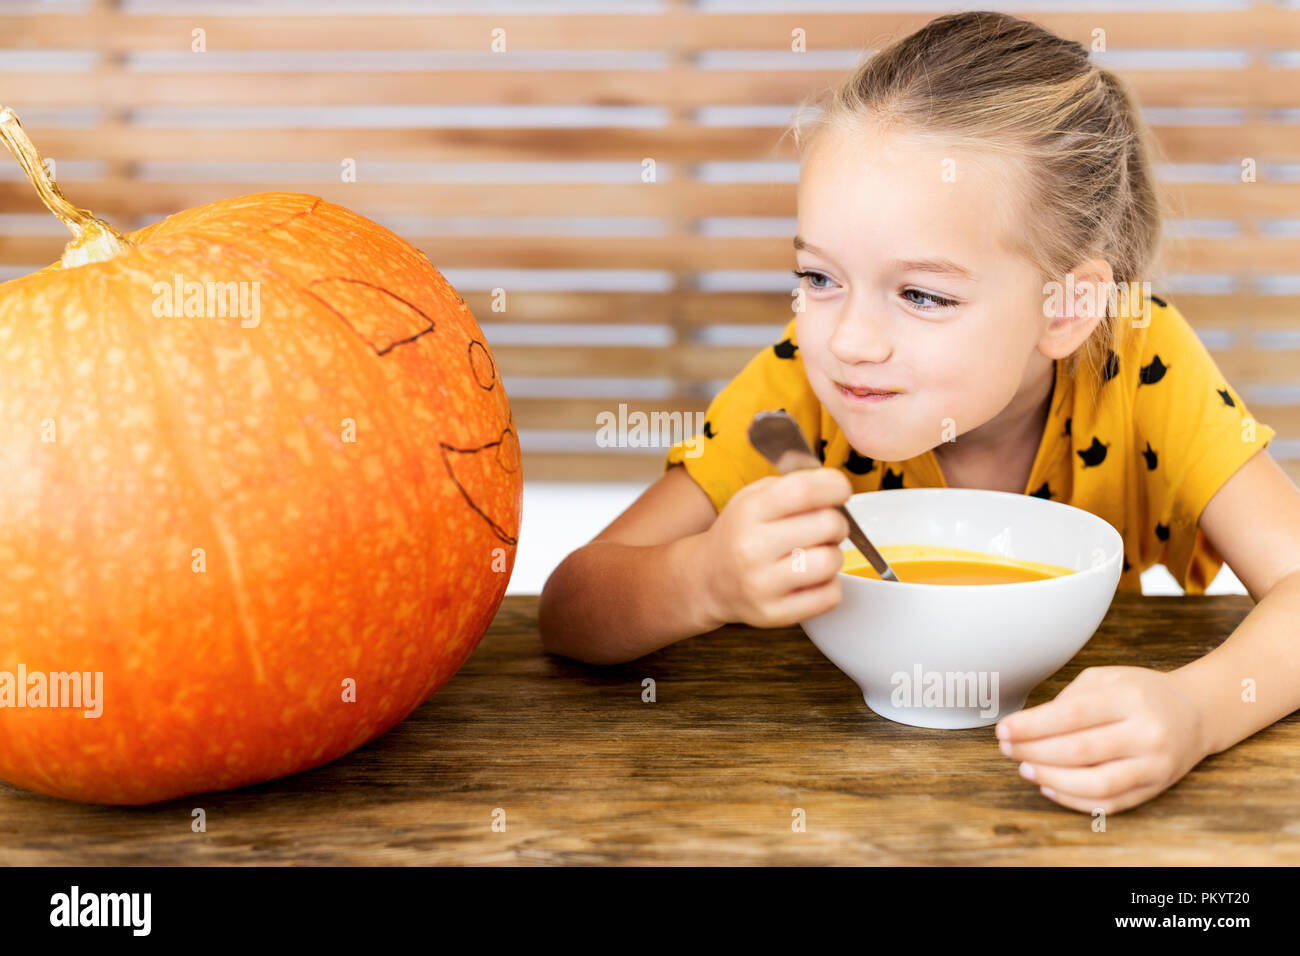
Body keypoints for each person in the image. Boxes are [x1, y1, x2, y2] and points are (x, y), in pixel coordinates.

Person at [539, 11, 1300, 814]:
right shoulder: (795, 389)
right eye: (820, 278)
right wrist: (702, 579)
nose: (851, 342)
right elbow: (570, 608)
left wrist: (1197, 710)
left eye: (922, 294)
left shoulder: (1140, 361)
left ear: (1068, 309)